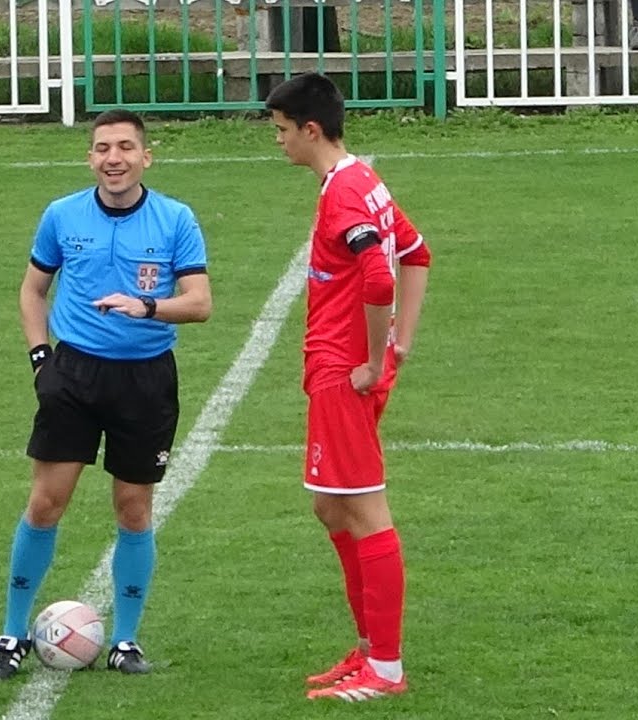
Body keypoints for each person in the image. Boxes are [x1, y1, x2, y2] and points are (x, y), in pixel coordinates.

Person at [0, 108, 213, 680]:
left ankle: (125, 641)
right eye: (104, 148)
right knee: (45, 502)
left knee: (134, 508)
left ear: (145, 156)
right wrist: (42, 358)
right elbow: (33, 291)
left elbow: (200, 303)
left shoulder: (175, 219)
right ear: (90, 158)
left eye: (126, 147)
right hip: (74, 375)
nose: (115, 158)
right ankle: (11, 633)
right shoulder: (62, 215)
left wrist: (145, 306)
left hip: (145, 380)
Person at [263, 73, 432, 702]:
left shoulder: (344, 195)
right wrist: (400, 344)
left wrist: (371, 360)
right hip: (344, 370)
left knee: (363, 510)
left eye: (282, 130)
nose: (278, 140)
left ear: (310, 130)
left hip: (343, 375)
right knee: (331, 506)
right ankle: (368, 648)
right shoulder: (364, 180)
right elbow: (416, 252)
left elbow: (380, 278)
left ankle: (385, 670)